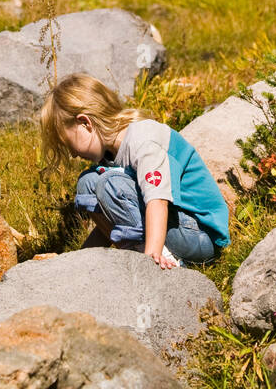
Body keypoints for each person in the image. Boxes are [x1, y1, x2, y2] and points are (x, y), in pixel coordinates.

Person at [39, 74, 230, 269]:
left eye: (68, 143)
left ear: (85, 123)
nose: (72, 154)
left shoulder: (143, 141)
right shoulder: (111, 155)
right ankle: (136, 257)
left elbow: (158, 202)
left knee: (109, 185)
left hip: (199, 235)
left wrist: (149, 262)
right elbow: (109, 225)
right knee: (88, 182)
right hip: (172, 228)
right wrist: (78, 263)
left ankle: (154, 261)